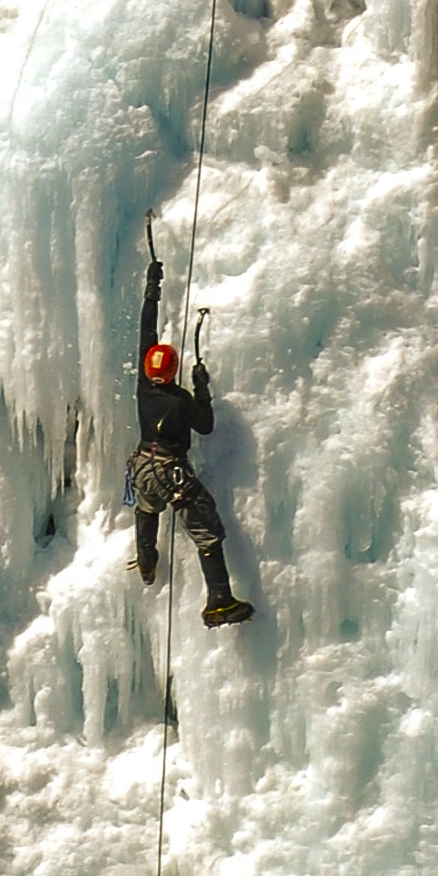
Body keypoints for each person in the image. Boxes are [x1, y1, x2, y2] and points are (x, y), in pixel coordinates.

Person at [127, 224, 255, 628]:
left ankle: (147, 559)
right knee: (206, 533)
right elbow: (207, 426)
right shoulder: (181, 401)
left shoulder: (143, 385)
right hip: (171, 471)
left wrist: (153, 286)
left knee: (147, 508)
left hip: (142, 466)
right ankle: (219, 599)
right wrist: (201, 388)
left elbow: (146, 330)